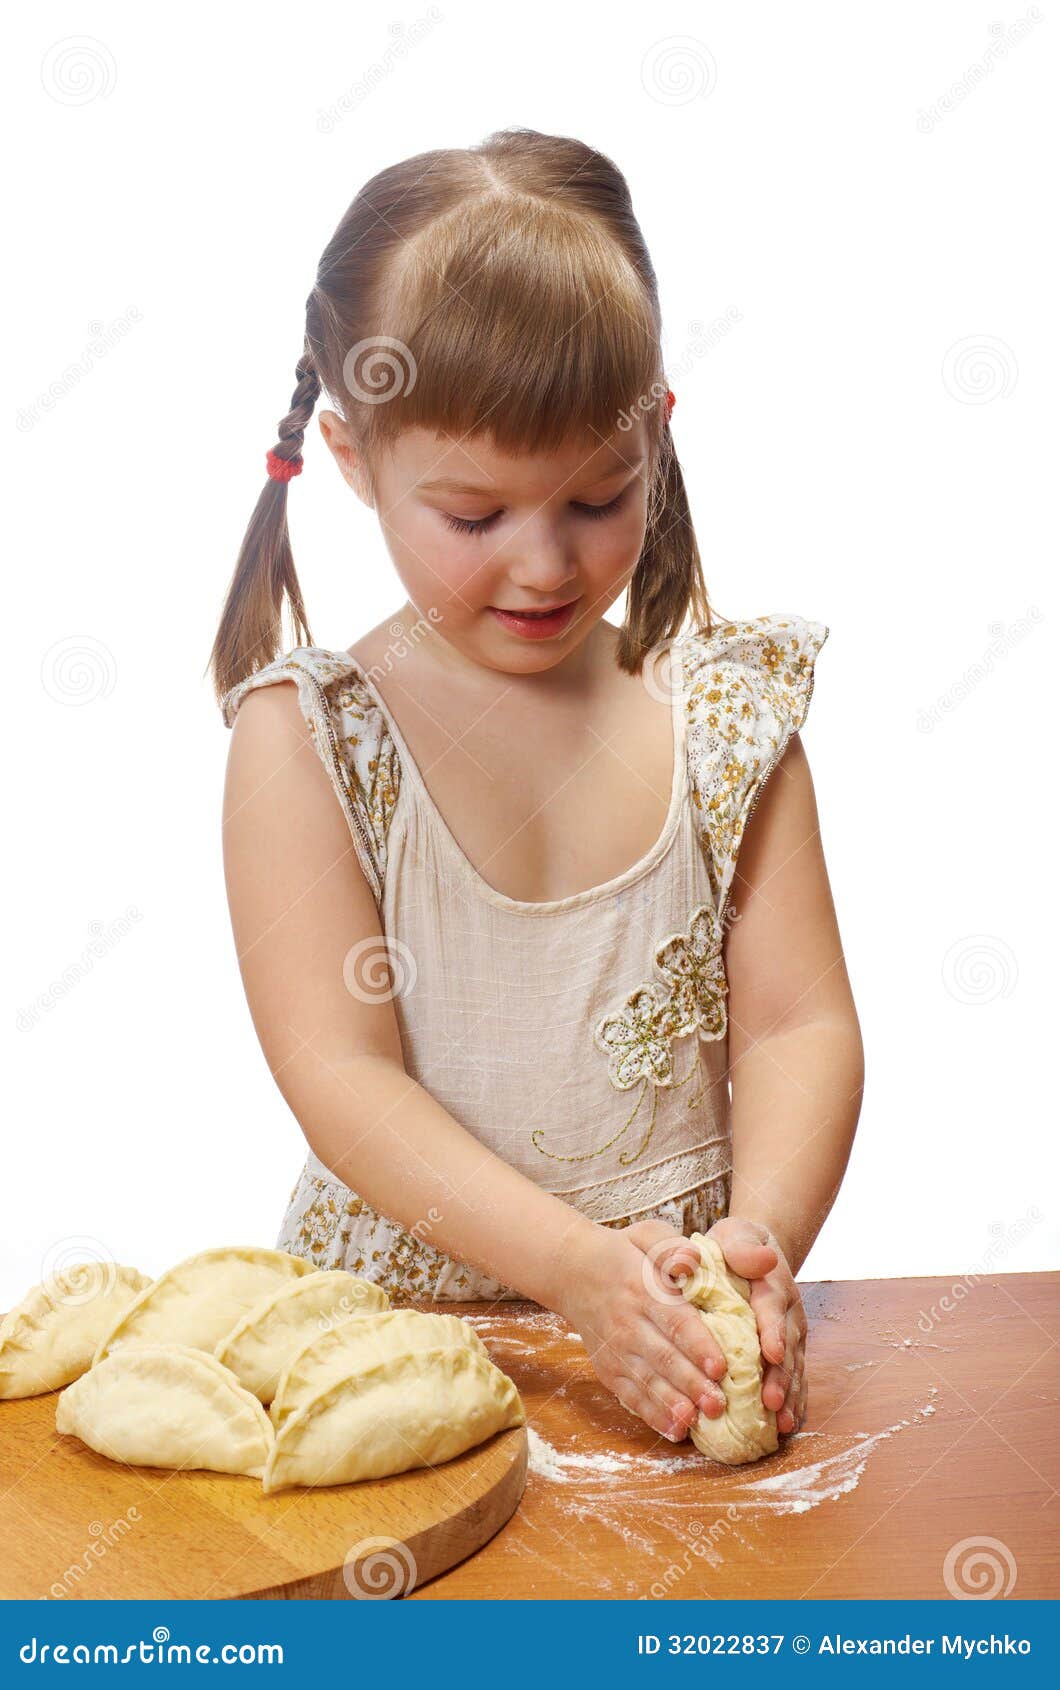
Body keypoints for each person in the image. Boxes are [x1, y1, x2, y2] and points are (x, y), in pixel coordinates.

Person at [209, 127, 864, 1450]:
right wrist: (571, 1269)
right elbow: (340, 1070)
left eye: (597, 495)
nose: (543, 562)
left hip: (667, 1355)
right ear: (353, 456)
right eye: (475, 515)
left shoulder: (727, 719)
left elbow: (800, 1027)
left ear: (655, 432)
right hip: (398, 1352)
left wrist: (757, 1243)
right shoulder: (314, 741)